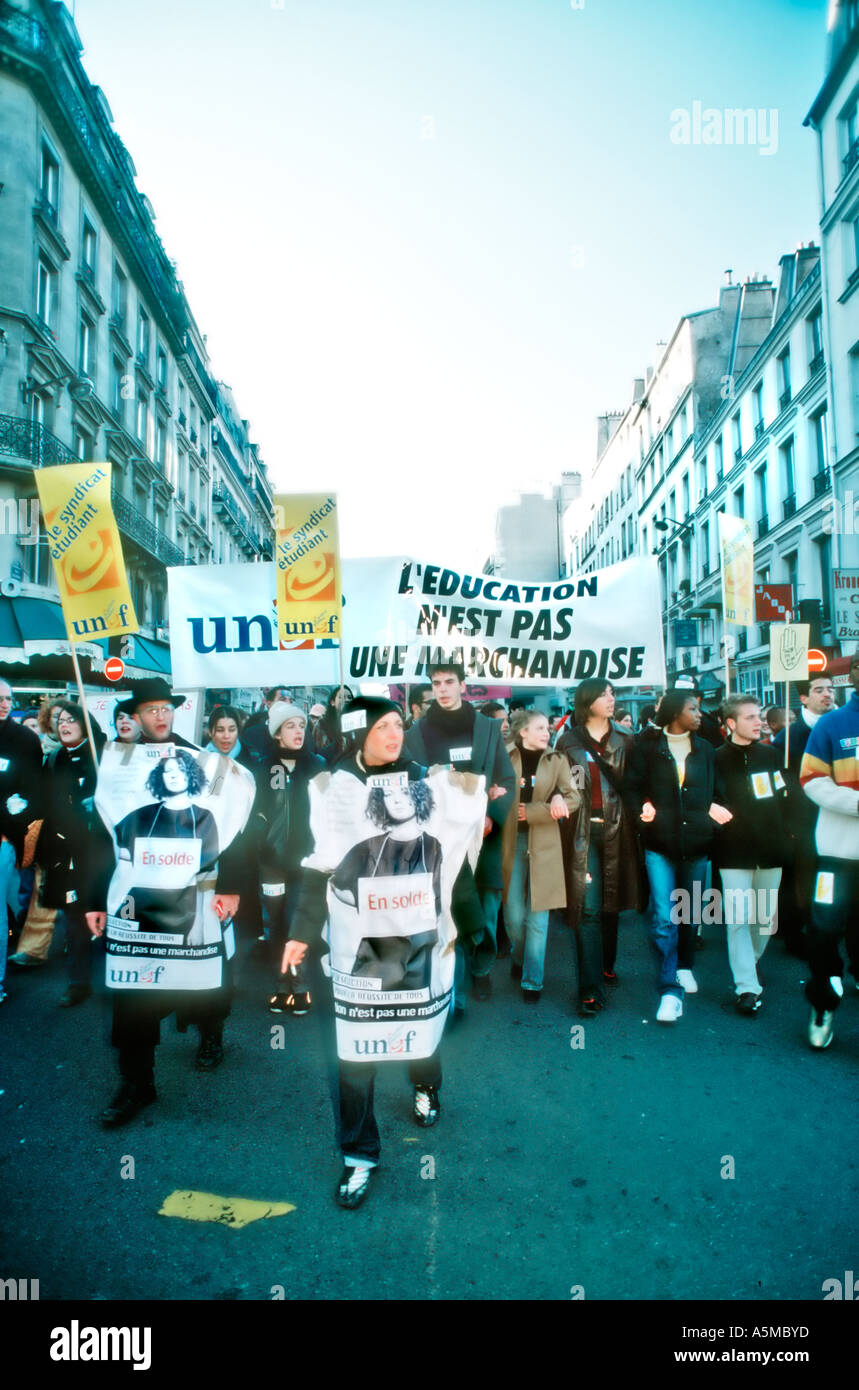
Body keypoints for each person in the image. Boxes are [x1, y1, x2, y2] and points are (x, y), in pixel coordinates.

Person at [282, 696, 485, 1209]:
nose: (396, 734)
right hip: (359, 952)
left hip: (419, 945)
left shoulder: (423, 779)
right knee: (352, 1052)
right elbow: (320, 866)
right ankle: (358, 1157)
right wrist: (302, 932)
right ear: (360, 732)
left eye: (400, 724)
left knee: (419, 1032)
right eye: (385, 726)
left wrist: (465, 794)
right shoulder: (334, 788)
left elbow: (455, 851)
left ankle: (426, 1085)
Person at [85, 677, 250, 1127]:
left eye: (166, 708)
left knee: (206, 976)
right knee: (132, 993)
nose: (160, 716)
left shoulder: (202, 762)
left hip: (196, 896)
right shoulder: (117, 763)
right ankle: (137, 1083)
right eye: (150, 709)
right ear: (135, 716)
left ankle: (210, 1034)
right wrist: (91, 899)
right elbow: (100, 836)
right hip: (136, 902)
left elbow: (237, 825)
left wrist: (233, 886)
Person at [403, 661, 515, 1007]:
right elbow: (408, 784)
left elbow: (507, 781)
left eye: (449, 682)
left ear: (463, 685)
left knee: (481, 905)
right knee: (446, 909)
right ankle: (453, 989)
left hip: (481, 836)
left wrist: (491, 816)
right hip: (437, 839)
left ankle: (479, 970)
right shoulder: (414, 735)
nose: (442, 689)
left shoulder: (487, 729)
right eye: (436, 683)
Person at [625, 690, 732, 1023]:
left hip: (697, 843)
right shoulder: (647, 747)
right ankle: (669, 984)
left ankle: (684, 964)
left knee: (690, 912)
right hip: (659, 843)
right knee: (663, 916)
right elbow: (632, 787)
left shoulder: (706, 750)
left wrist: (715, 812)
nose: (699, 714)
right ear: (674, 712)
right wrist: (642, 807)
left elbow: (718, 792)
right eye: (692, 709)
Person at [556, 680, 645, 1014]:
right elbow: (558, 784)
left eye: (613, 693)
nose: (611, 699)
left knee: (611, 906)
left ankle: (607, 965)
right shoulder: (567, 742)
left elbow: (637, 786)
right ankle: (589, 989)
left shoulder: (627, 741)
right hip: (582, 834)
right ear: (586, 701)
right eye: (604, 694)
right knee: (588, 909)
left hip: (619, 832)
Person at [712, 695, 790, 1014]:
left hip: (771, 848)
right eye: (750, 717)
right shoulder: (715, 758)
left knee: (765, 918)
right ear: (731, 723)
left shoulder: (770, 755)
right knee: (738, 919)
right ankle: (747, 986)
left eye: (759, 716)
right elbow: (708, 798)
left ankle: (751, 962)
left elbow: (780, 795)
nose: (759, 722)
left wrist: (787, 835)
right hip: (733, 850)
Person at [799, 652, 859, 1050]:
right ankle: (823, 1004)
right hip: (838, 856)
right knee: (823, 933)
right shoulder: (832, 725)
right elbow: (812, 780)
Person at [502, 710, 579, 1002]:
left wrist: (550, 802)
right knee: (514, 916)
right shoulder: (504, 756)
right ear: (522, 732)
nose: (546, 733)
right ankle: (519, 956)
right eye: (539, 728)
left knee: (539, 915)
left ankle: (532, 980)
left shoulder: (557, 759)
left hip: (545, 842)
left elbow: (575, 797)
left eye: (547, 728)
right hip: (511, 842)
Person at [253, 701, 324, 1014]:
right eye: (290, 726)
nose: (298, 731)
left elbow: (328, 815)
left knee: (299, 926)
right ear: (277, 733)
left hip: (306, 865)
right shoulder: (264, 767)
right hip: (271, 866)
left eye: (301, 726)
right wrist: (262, 844)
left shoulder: (317, 765)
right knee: (275, 927)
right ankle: (280, 986)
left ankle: (301, 986)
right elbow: (254, 815)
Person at [37, 702, 107, 1006]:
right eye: (60, 721)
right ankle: (78, 982)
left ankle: (115, 979)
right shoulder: (52, 760)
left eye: (71, 720)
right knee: (73, 919)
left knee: (108, 917)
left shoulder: (105, 754)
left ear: (85, 724)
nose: (64, 725)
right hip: (66, 853)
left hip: (101, 853)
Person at [771, 677, 836, 957]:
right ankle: (795, 933)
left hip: (838, 817)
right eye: (818, 690)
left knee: (831, 877)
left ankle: (828, 928)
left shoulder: (842, 725)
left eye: (830, 689)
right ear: (804, 699)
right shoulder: (788, 737)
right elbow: (780, 781)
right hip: (802, 820)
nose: (827, 694)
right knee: (799, 879)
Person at [0, 679, 44, 1003]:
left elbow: (32, 792)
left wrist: (12, 823)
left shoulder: (24, 739)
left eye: (7, 698)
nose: (3, 703)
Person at [242, 687, 294, 762]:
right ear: (269, 704)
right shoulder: (253, 732)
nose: (288, 703)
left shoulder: (300, 731)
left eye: (291, 700)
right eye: (282, 699)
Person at [206, 704, 260, 773]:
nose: (226, 736)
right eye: (220, 730)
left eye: (232, 730)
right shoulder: (200, 759)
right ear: (210, 732)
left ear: (238, 731)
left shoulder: (252, 758)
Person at [312, 686, 354, 763]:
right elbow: (321, 752)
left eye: (349, 697)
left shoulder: (357, 723)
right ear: (332, 702)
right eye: (341, 697)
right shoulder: (322, 724)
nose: (347, 700)